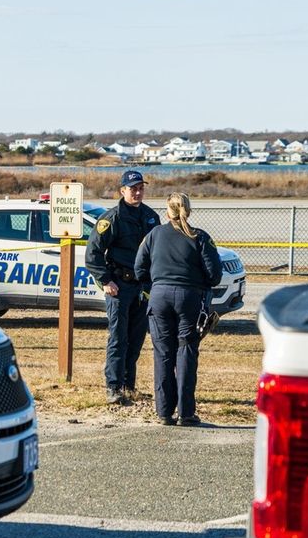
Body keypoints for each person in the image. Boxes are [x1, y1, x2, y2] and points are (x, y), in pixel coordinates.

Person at [134, 192, 223, 427]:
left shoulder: (154, 235)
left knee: (163, 353)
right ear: (188, 211)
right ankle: (186, 412)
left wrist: (154, 284)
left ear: (167, 211)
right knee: (186, 352)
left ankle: (164, 412)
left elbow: (139, 268)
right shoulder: (200, 237)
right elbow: (214, 275)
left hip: (160, 296)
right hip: (189, 298)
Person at [85, 169, 162, 405]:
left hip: (143, 288)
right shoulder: (112, 218)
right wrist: (105, 280)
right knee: (118, 339)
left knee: (136, 338)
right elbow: (93, 254)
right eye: (133, 188)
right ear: (122, 190)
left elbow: (156, 253)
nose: (137, 192)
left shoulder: (150, 217)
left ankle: (129, 386)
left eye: (140, 188)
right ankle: (114, 387)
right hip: (119, 286)